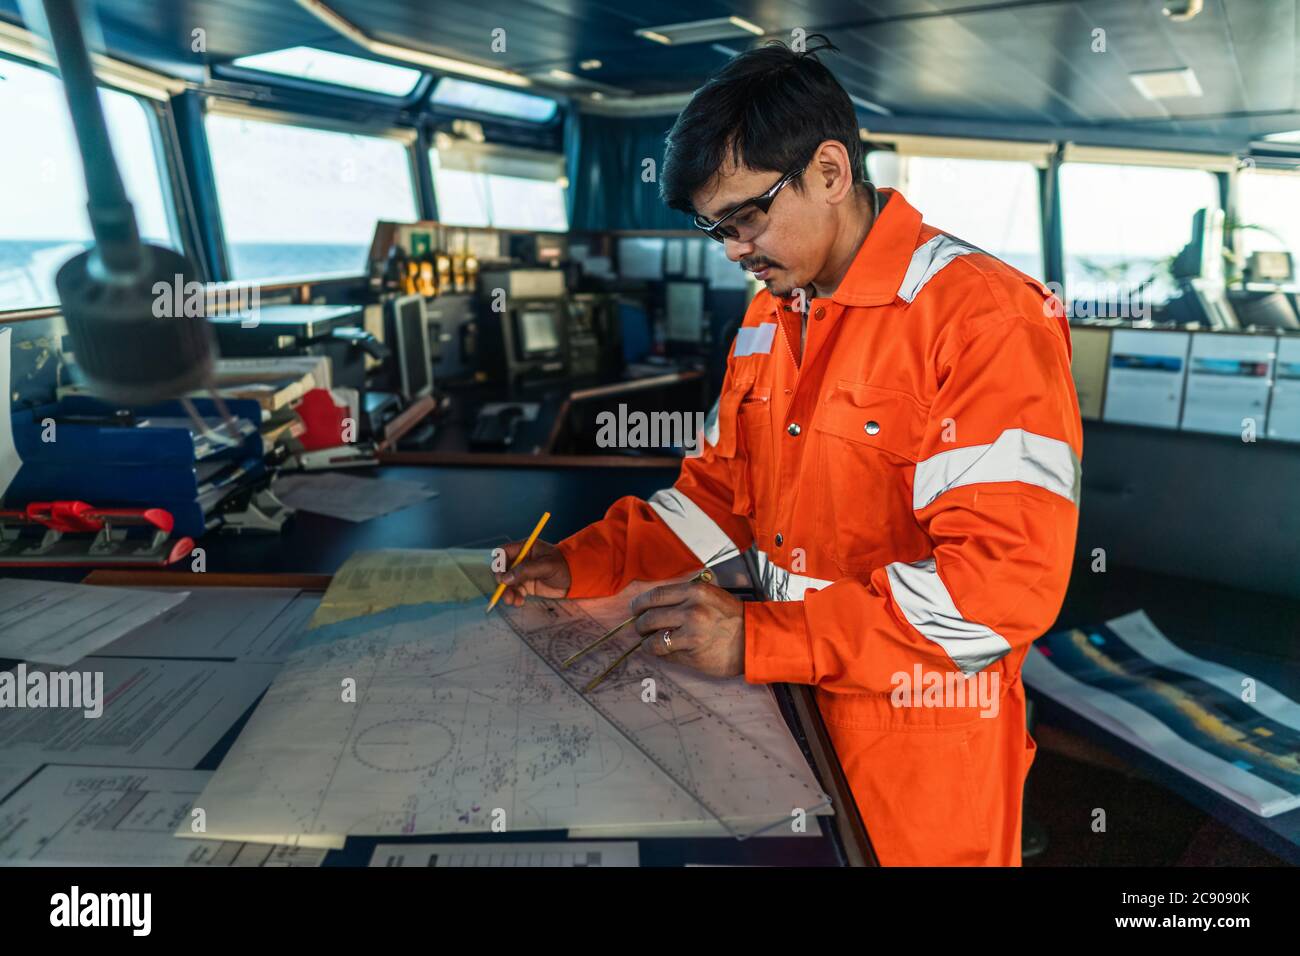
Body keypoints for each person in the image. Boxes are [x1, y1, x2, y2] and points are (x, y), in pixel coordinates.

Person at [493, 36, 1083, 866]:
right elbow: (716, 499)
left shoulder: (983, 319)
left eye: (747, 216)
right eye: (717, 228)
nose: (734, 248)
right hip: (786, 713)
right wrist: (583, 562)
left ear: (832, 172)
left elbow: (998, 592)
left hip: (919, 746)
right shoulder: (773, 312)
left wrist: (763, 640)